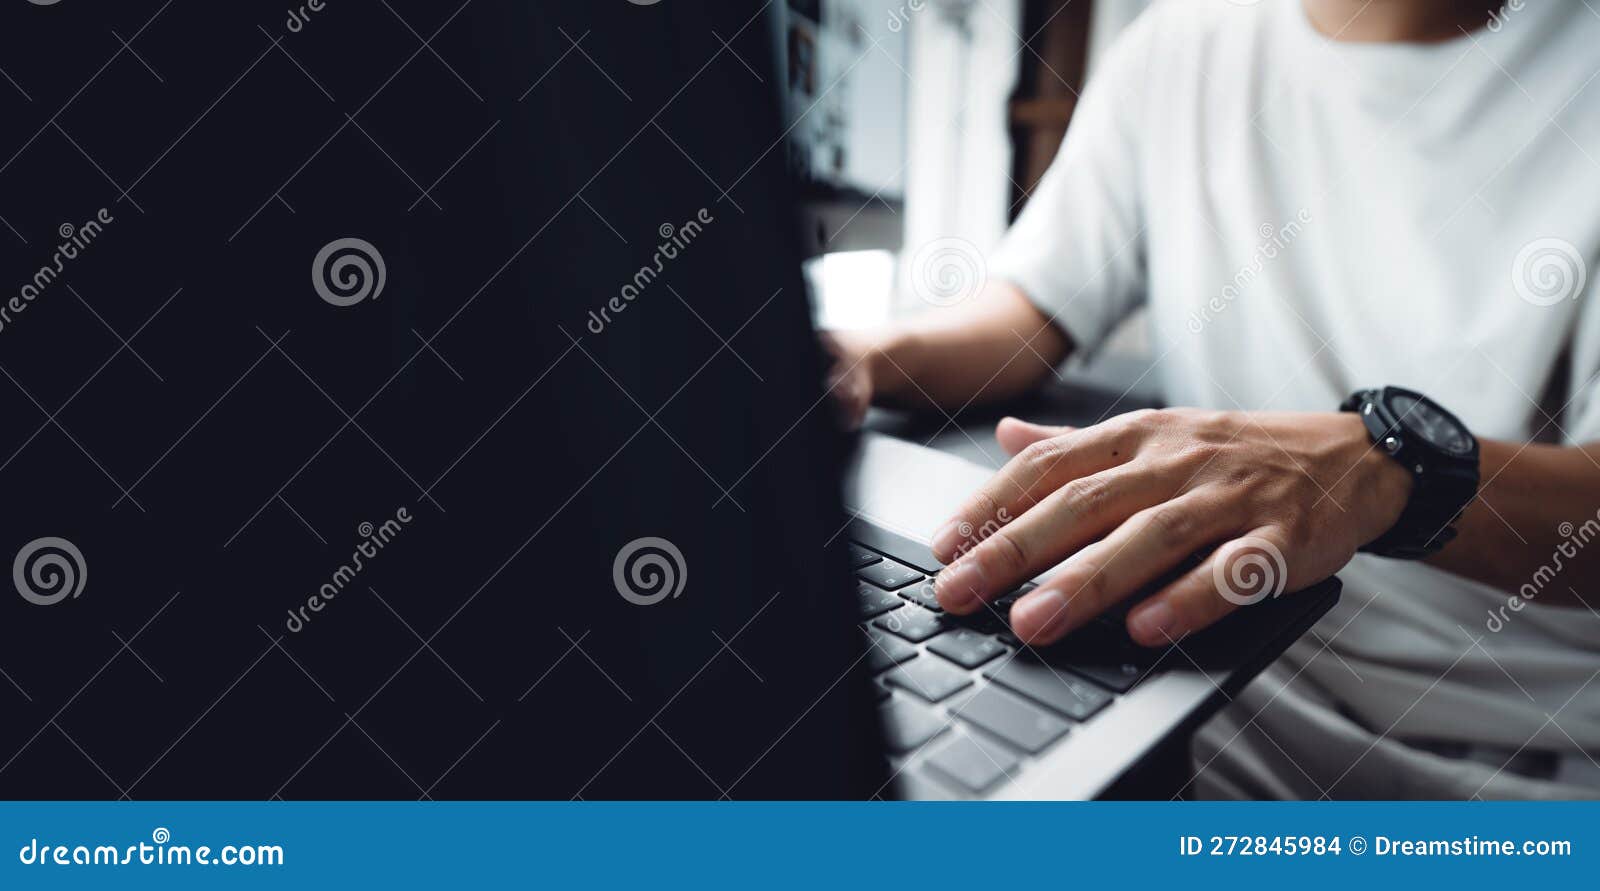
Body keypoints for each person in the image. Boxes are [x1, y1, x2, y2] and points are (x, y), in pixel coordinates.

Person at [824, 0, 1600, 798]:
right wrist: (860, 357)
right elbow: (1034, 305)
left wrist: (1379, 468)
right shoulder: (1181, 40)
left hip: (1516, 756)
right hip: (1204, 683)